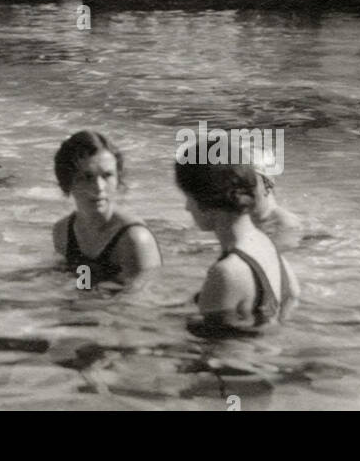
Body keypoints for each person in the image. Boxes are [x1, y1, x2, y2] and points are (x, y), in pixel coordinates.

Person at [175, 161, 299, 333]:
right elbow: (292, 295)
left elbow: (213, 352)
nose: (187, 207)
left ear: (208, 203)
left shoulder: (226, 272)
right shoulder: (265, 244)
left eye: (189, 197)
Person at [51, 131, 161, 284]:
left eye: (107, 175)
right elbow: (74, 284)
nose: (99, 187)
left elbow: (141, 303)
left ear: (118, 178)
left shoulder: (134, 240)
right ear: (67, 182)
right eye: (87, 177)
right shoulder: (63, 232)